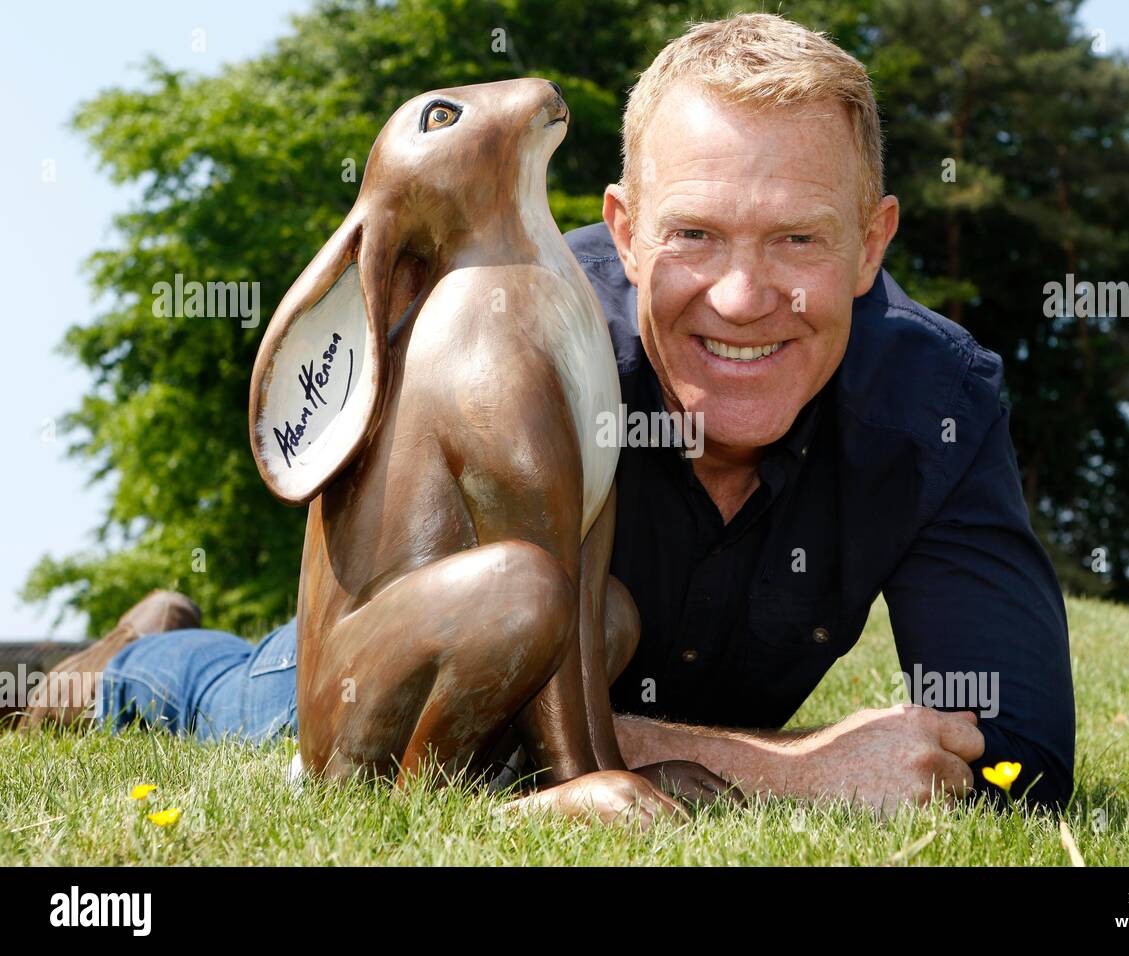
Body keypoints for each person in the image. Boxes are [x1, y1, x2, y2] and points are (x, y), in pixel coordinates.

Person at [25, 12, 1074, 816]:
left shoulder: (939, 401)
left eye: (799, 240)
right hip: (371, 655)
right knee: (227, 701)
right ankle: (118, 658)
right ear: (622, 231)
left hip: (559, 681)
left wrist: (953, 769)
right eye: (695, 234)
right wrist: (787, 769)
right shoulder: (510, 334)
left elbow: (1022, 757)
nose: (745, 298)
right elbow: (370, 745)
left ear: (870, 243)